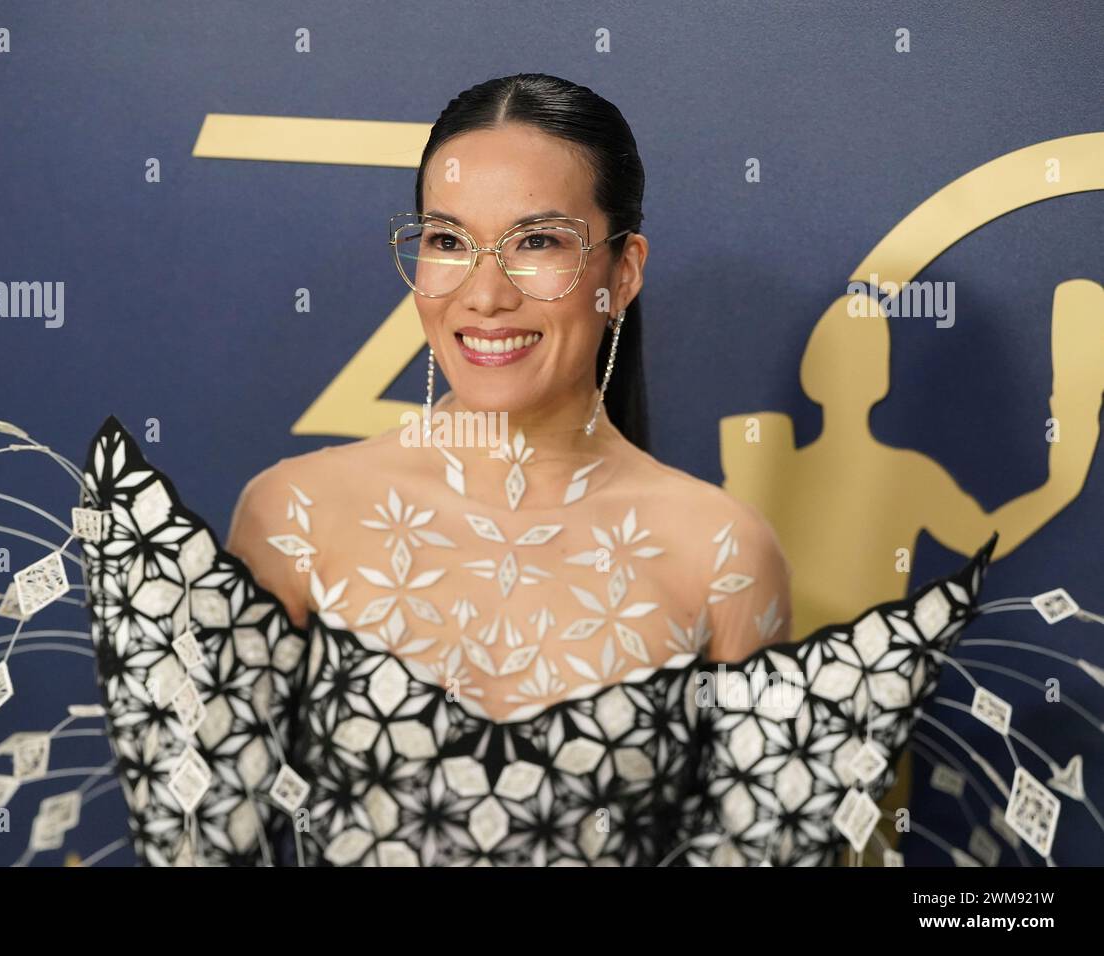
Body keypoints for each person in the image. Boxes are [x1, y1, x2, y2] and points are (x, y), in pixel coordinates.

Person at [79, 75, 996, 867]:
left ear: (623, 271)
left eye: (537, 242)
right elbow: (209, 835)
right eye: (446, 240)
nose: (484, 292)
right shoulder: (294, 514)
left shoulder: (720, 551)